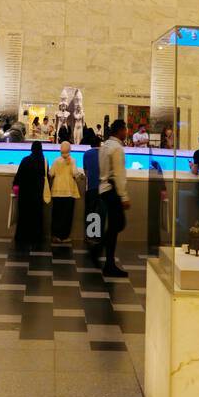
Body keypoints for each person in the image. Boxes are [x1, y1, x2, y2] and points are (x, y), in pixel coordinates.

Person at [98, 119, 130, 278]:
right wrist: (124, 196)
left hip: (104, 188)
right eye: (125, 129)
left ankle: (103, 254)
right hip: (112, 190)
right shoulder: (117, 148)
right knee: (117, 224)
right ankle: (107, 261)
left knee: (115, 225)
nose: (127, 132)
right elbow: (118, 173)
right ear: (120, 130)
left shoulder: (105, 146)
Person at [12, 141, 47, 252]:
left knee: (24, 215)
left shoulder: (25, 160)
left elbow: (18, 176)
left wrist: (15, 185)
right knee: (36, 216)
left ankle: (22, 236)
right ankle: (36, 237)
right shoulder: (44, 161)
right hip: (37, 194)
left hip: (25, 194)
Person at [47, 140, 83, 245]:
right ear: (70, 149)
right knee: (67, 215)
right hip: (69, 191)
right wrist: (80, 176)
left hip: (57, 191)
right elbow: (75, 173)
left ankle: (55, 235)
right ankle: (64, 236)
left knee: (56, 214)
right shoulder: (73, 160)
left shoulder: (56, 160)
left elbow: (50, 174)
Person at [81, 126, 102, 257]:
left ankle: (88, 236)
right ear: (99, 144)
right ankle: (97, 236)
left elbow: (86, 171)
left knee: (89, 211)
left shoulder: (86, 154)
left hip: (91, 187)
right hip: (102, 188)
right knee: (98, 212)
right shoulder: (104, 153)